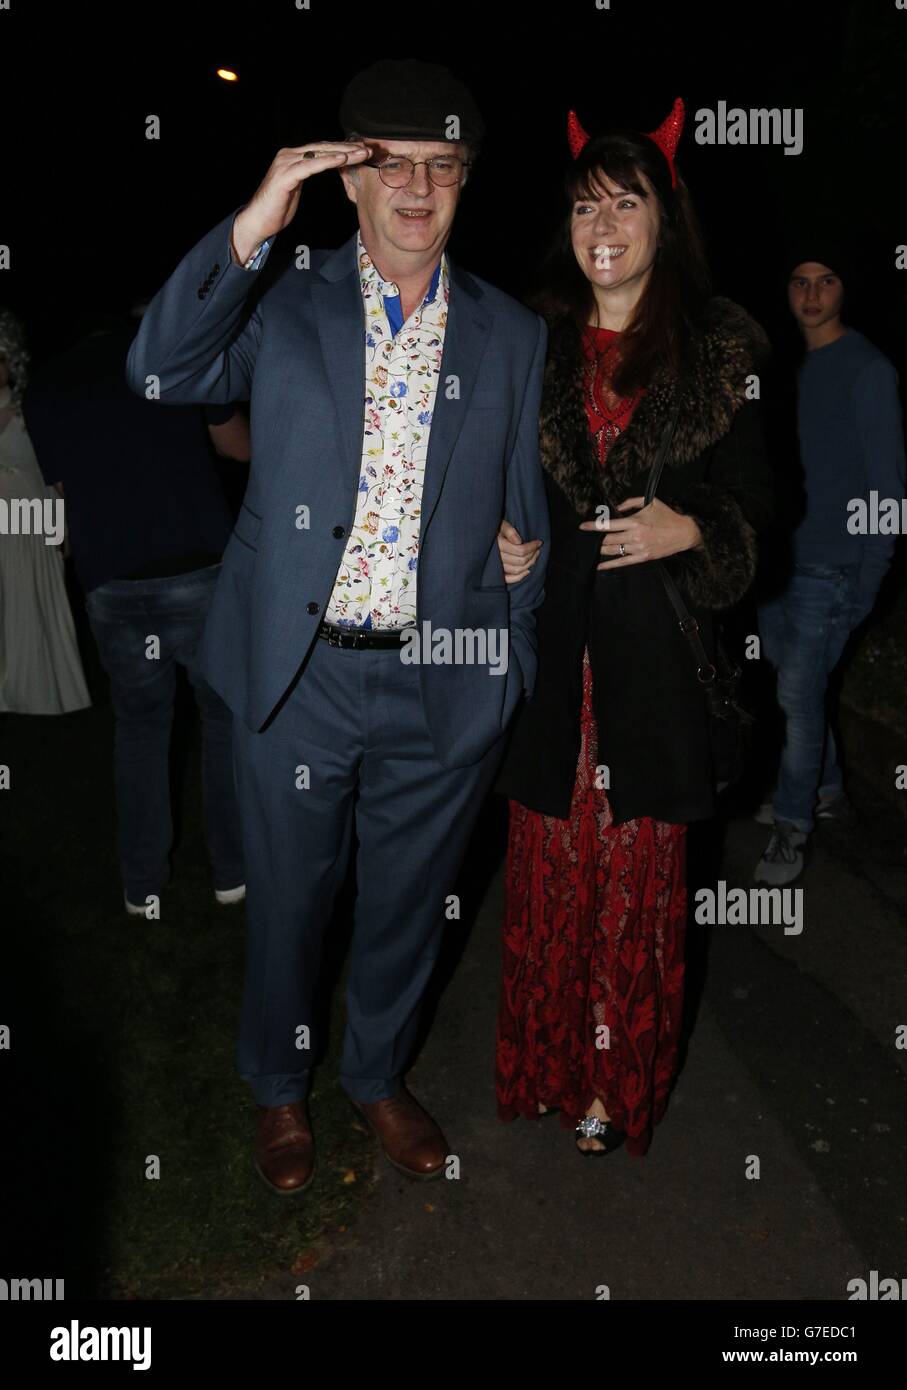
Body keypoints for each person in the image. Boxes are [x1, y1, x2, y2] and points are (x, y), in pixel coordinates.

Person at [126, 59, 550, 1195]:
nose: (419, 186)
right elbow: (159, 371)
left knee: (409, 907)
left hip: (442, 681)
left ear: (464, 183)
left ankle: (373, 1072)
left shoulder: (510, 336)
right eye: (394, 165)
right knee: (291, 905)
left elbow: (526, 507)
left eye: (443, 167)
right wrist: (253, 224)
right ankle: (277, 1085)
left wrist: (518, 607)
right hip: (297, 677)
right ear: (352, 182)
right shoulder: (281, 297)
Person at [494, 100, 772, 1156]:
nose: (600, 221)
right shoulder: (530, 342)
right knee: (552, 875)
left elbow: (763, 518)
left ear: (665, 214)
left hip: (658, 671)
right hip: (555, 664)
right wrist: (503, 544)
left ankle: (612, 1085)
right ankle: (543, 1065)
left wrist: (690, 525)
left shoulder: (720, 351)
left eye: (625, 200)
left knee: (634, 895)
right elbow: (490, 484)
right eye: (582, 204)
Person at [24, 315, 248, 915]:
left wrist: (78, 563)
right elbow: (235, 443)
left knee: (140, 731)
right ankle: (232, 871)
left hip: (113, 583)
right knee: (224, 720)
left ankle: (143, 883)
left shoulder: (47, 384)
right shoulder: (181, 350)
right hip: (200, 570)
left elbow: (62, 506)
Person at [752, 245, 906, 886]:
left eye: (826, 281)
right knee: (796, 691)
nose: (811, 295)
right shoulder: (782, 367)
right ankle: (827, 786)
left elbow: (888, 487)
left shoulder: (868, 369)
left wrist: (868, 579)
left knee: (796, 698)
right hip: (780, 561)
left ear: (846, 289)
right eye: (799, 282)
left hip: (832, 567)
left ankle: (793, 824)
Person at [0, 307, 91, 716]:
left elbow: (55, 474)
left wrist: (62, 533)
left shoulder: (30, 406)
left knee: (33, 600)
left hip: (32, 517)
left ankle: (37, 691)